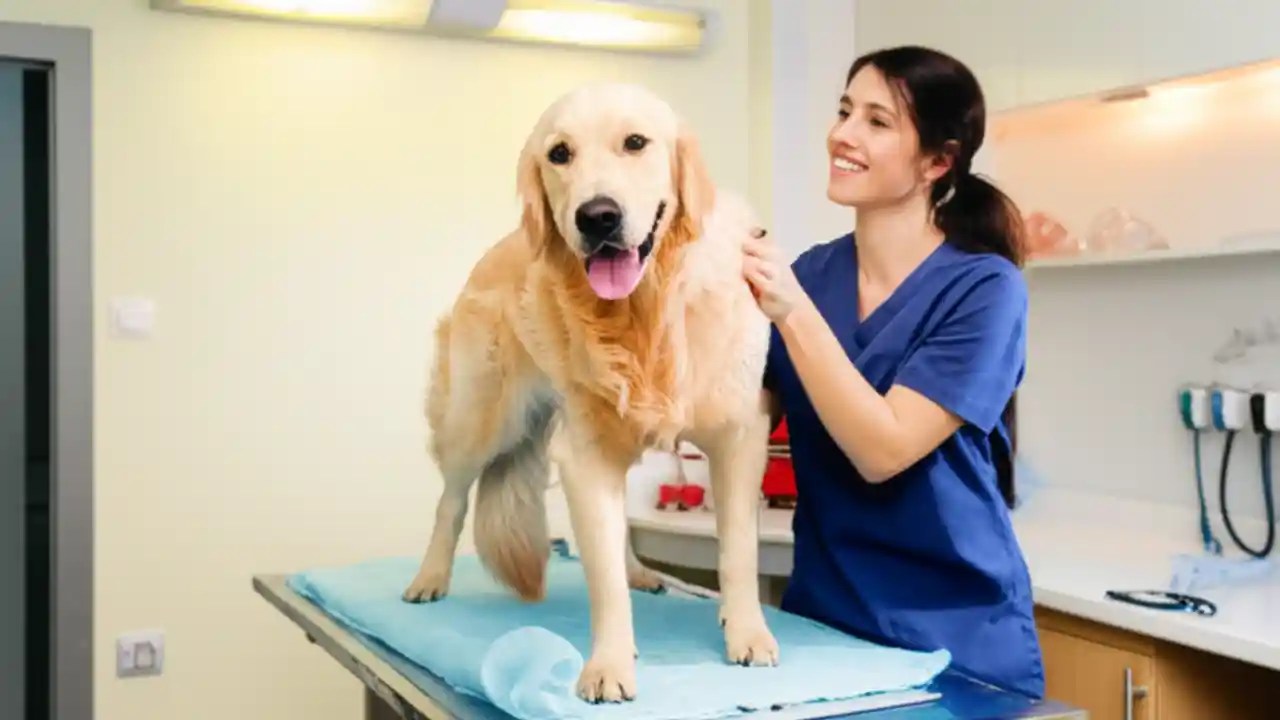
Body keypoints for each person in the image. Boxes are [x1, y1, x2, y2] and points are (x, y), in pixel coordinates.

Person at [740, 45, 1045, 700]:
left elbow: (883, 450)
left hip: (956, 641)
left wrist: (790, 313)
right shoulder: (813, 276)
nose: (842, 134)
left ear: (938, 161)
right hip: (825, 628)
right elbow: (735, 419)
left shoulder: (984, 288)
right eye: (845, 110)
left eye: (877, 121)